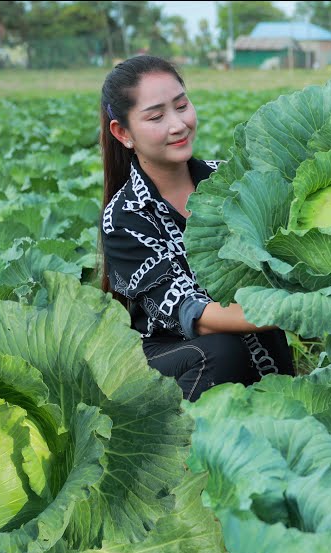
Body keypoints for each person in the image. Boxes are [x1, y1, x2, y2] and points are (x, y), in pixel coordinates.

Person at [98, 56, 295, 401]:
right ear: (123, 133)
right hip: (170, 355)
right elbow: (193, 316)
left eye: (182, 105)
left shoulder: (230, 181)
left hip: (257, 337)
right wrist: (295, 308)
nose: (178, 125)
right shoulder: (125, 217)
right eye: (157, 116)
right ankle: (176, 445)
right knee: (222, 349)